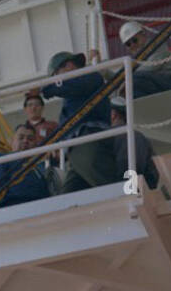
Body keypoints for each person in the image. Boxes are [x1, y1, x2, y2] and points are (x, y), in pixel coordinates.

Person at [40, 51, 119, 193]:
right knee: (70, 195)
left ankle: (125, 196)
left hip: (89, 139)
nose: (57, 80)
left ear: (68, 66)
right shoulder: (73, 96)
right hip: (77, 148)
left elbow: (68, 86)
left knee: (105, 181)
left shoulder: (90, 77)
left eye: (55, 75)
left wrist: (45, 88)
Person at [0, 124, 50, 209]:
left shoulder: (38, 169)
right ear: (12, 141)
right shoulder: (0, 159)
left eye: (30, 139)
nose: (25, 141)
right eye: (21, 138)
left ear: (35, 145)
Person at [117, 20, 171, 97]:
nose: (132, 45)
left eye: (135, 40)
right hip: (156, 85)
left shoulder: (157, 45)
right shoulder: (135, 60)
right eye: (128, 44)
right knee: (132, 91)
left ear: (143, 34)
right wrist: (104, 72)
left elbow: (151, 66)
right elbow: (120, 78)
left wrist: (127, 79)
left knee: (133, 81)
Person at [109, 95, 159, 189]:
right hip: (140, 190)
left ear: (113, 114)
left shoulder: (123, 136)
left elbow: (126, 168)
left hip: (126, 192)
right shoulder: (137, 137)